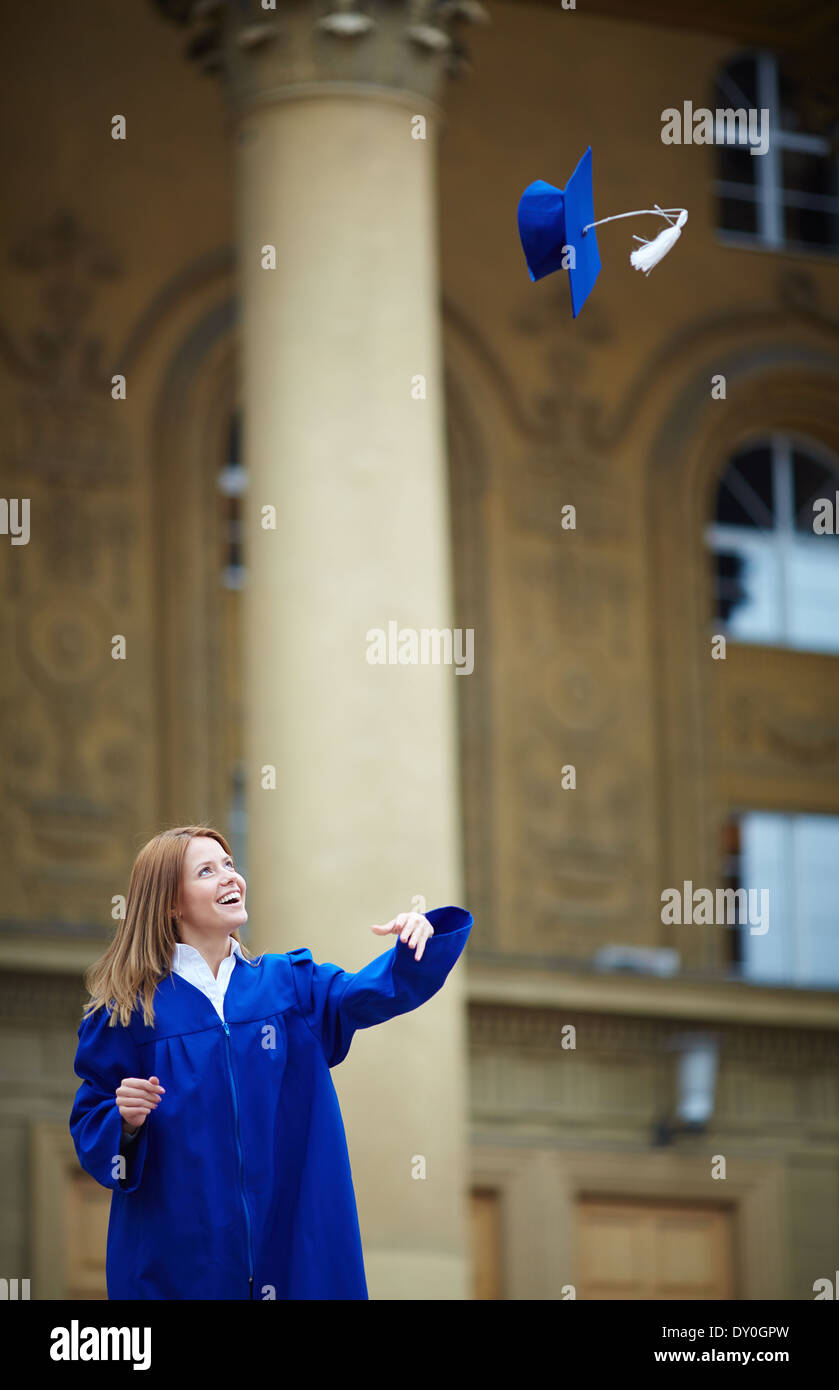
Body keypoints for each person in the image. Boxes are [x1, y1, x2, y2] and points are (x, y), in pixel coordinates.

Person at [69, 824, 473, 1300]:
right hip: (179, 1264)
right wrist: (126, 1122)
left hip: (291, 1250)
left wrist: (416, 945)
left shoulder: (290, 988)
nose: (230, 877)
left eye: (230, 865)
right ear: (170, 903)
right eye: (206, 870)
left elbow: (371, 993)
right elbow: (94, 1130)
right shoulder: (130, 1013)